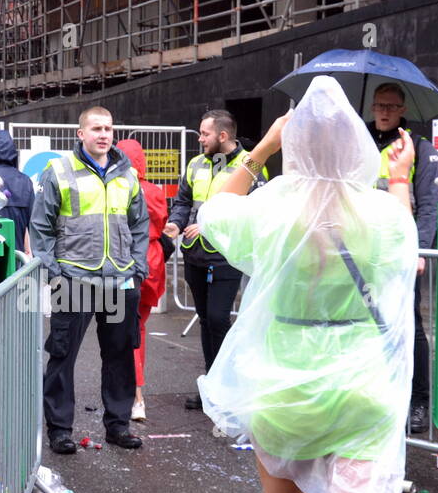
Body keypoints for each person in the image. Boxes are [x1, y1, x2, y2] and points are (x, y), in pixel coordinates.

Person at [196, 76, 417, 493]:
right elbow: (404, 242)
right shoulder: (381, 216)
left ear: (295, 146)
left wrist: (263, 148)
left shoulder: (271, 209)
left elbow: (215, 212)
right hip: (362, 392)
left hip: (283, 390)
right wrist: (397, 179)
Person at [30, 106, 149, 453]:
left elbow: (139, 224)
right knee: (63, 356)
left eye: (109, 128)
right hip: (73, 280)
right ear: (80, 133)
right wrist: (53, 271)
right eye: (96, 128)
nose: (104, 134)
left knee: (120, 356)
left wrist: (137, 267)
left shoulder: (128, 175)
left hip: (120, 280)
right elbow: (41, 227)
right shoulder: (60, 171)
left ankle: (118, 425)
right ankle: (60, 430)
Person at [165, 110, 267, 416]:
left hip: (226, 256)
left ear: (222, 135)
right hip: (194, 254)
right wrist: (174, 222)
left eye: (204, 134)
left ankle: (228, 388)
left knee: (219, 320)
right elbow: (183, 202)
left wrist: (210, 226)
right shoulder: (195, 164)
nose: (199, 139)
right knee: (207, 322)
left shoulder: (250, 163)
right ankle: (210, 387)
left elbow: (259, 210)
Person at [367, 82, 438, 434]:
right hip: (363, 252)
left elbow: (429, 205)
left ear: (402, 110)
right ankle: (378, 396)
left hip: (400, 252)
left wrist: (420, 249)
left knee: (409, 326)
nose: (383, 111)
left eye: (390, 106)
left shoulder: (419, 148)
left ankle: (419, 402)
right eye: (379, 105)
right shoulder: (360, 144)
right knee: (366, 325)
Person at [116, 139, 168, 423]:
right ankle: (135, 396)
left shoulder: (120, 188)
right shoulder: (155, 191)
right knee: (139, 329)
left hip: (127, 262)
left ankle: (134, 397)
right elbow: (161, 222)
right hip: (153, 262)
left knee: (124, 333)